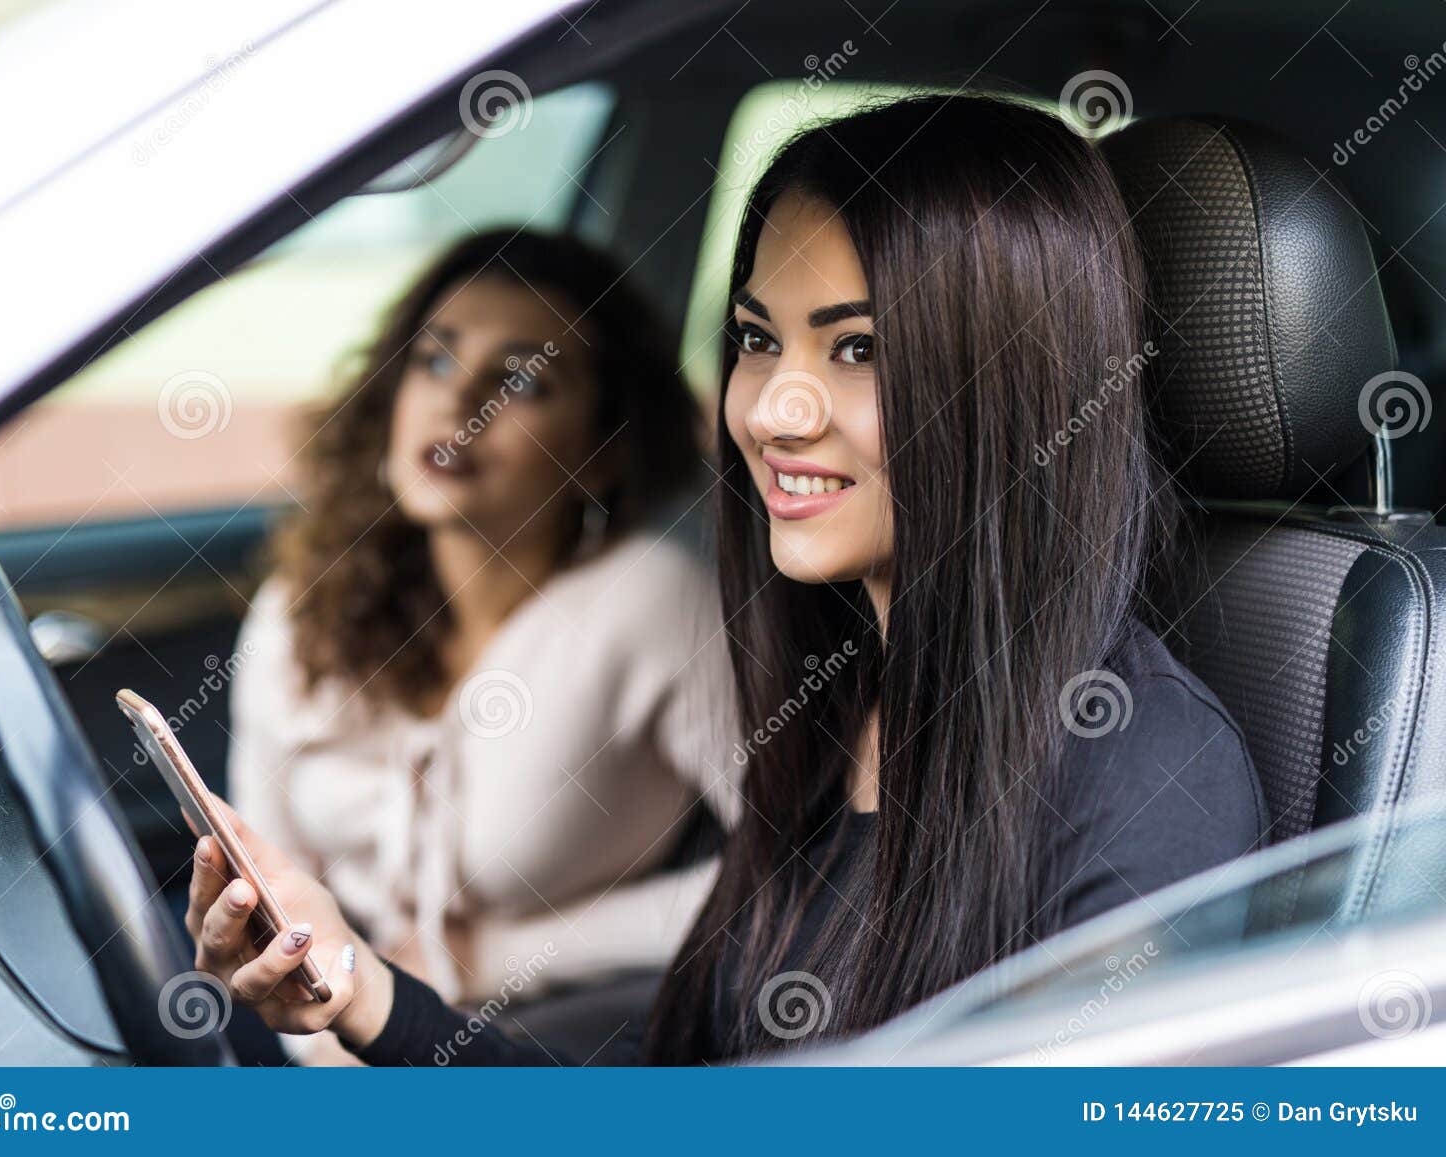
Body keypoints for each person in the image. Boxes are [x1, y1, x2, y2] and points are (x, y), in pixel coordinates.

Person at [190, 94, 1266, 1065]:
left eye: (858, 351)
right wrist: (368, 992)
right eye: (758, 340)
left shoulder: (1146, 773)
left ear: (1017, 387)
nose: (770, 410)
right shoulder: (830, 706)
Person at [225, 230, 740, 1060]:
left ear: (605, 451)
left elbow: (803, 876)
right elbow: (271, 870)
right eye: (434, 361)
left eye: (522, 380)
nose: (460, 403)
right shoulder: (301, 607)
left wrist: (503, 956)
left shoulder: (656, 603)